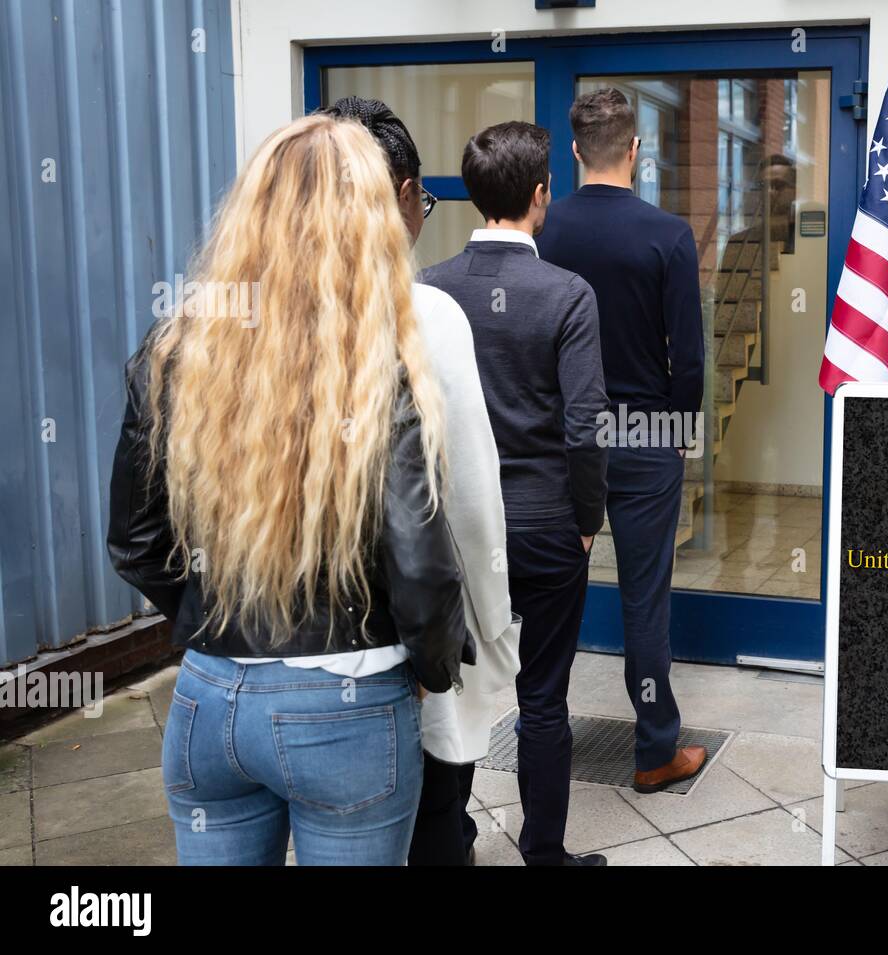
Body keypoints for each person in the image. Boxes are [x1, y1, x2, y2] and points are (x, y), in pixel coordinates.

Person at [106, 113, 469, 865]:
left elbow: (136, 543)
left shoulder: (175, 352)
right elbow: (424, 572)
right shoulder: (380, 368)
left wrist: (219, 618)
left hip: (208, 704)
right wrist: (434, 673)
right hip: (350, 708)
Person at [319, 96, 521, 867]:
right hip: (399, 658)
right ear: (402, 195)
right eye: (424, 202)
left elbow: (145, 534)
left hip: (265, 665)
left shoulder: (240, 316)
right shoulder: (426, 315)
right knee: (436, 824)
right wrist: (491, 630)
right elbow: (467, 502)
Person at [418, 120, 609, 866]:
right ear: (540, 196)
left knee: (456, 688)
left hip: (460, 531)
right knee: (544, 697)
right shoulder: (567, 295)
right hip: (547, 524)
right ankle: (545, 854)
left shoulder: (428, 288)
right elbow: (586, 424)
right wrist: (587, 520)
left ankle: (452, 839)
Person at [537, 88, 707, 793]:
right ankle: (653, 751)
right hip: (643, 433)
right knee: (644, 599)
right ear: (636, 149)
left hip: (561, 435)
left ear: (575, 151)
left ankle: (540, 730)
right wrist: (680, 430)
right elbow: (689, 359)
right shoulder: (668, 235)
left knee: (550, 594)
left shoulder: (544, 231)